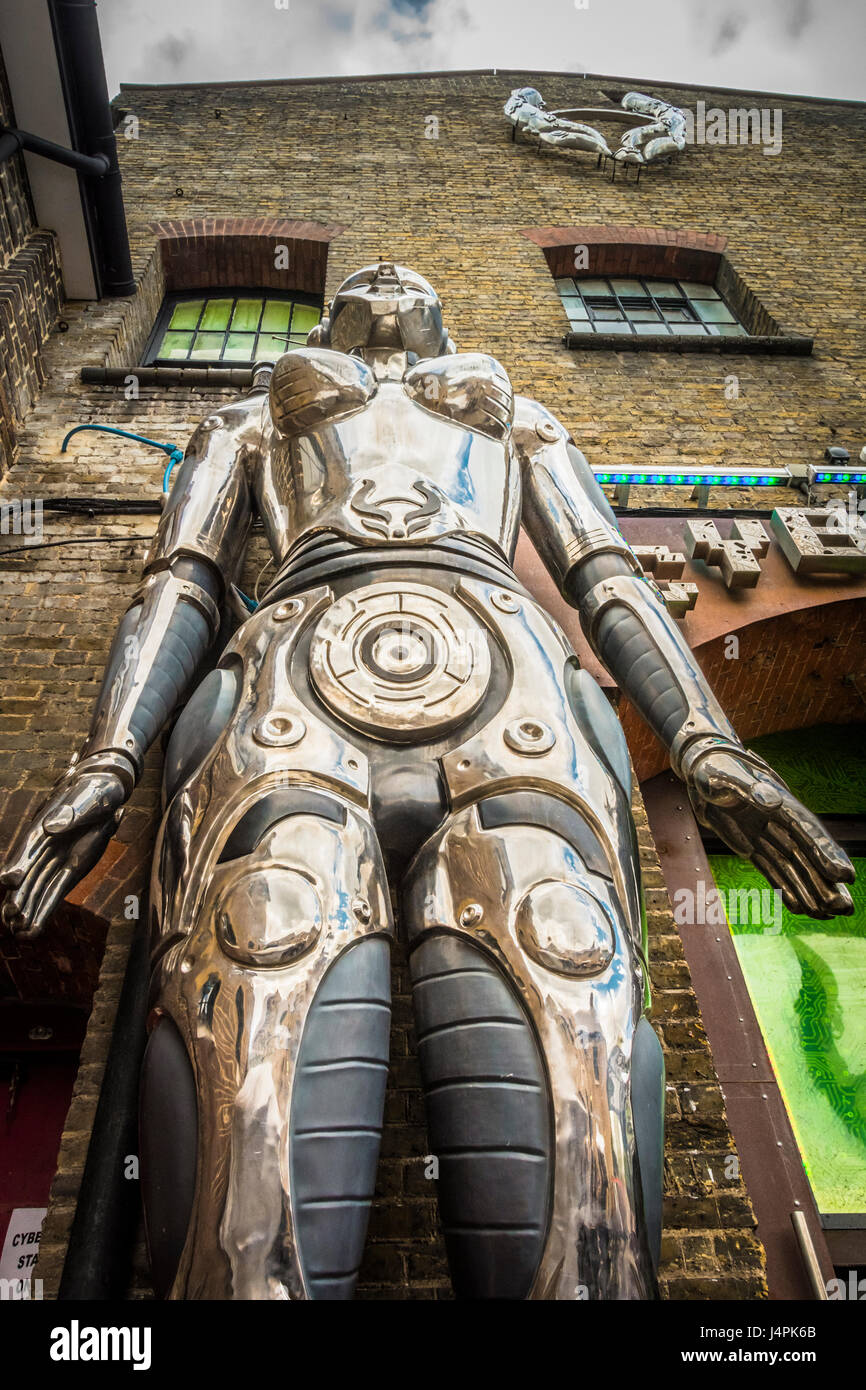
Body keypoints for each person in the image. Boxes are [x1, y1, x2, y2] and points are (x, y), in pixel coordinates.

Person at [1, 262, 853, 1300]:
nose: (389, 273)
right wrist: (108, 759)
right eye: (361, 272)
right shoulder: (248, 416)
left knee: (566, 964)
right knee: (255, 967)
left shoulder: (517, 416)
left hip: (506, 663)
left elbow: (607, 573)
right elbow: (182, 575)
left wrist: (706, 744)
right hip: (293, 659)